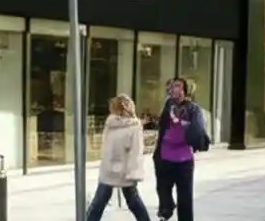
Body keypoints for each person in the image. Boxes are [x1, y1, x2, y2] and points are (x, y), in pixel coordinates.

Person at [86, 94, 151, 221]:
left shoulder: (134, 127)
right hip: (109, 170)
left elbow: (135, 152)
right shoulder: (110, 123)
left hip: (124, 171)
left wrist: (134, 173)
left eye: (114, 106)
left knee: (132, 201)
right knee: (99, 202)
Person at [153, 78, 209, 221]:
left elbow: (198, 131)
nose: (173, 88)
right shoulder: (168, 105)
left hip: (183, 160)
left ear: (185, 90)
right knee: (162, 190)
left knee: (185, 197)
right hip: (164, 157)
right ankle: (167, 207)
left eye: (177, 86)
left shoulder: (193, 108)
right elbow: (162, 126)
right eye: (172, 86)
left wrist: (183, 123)